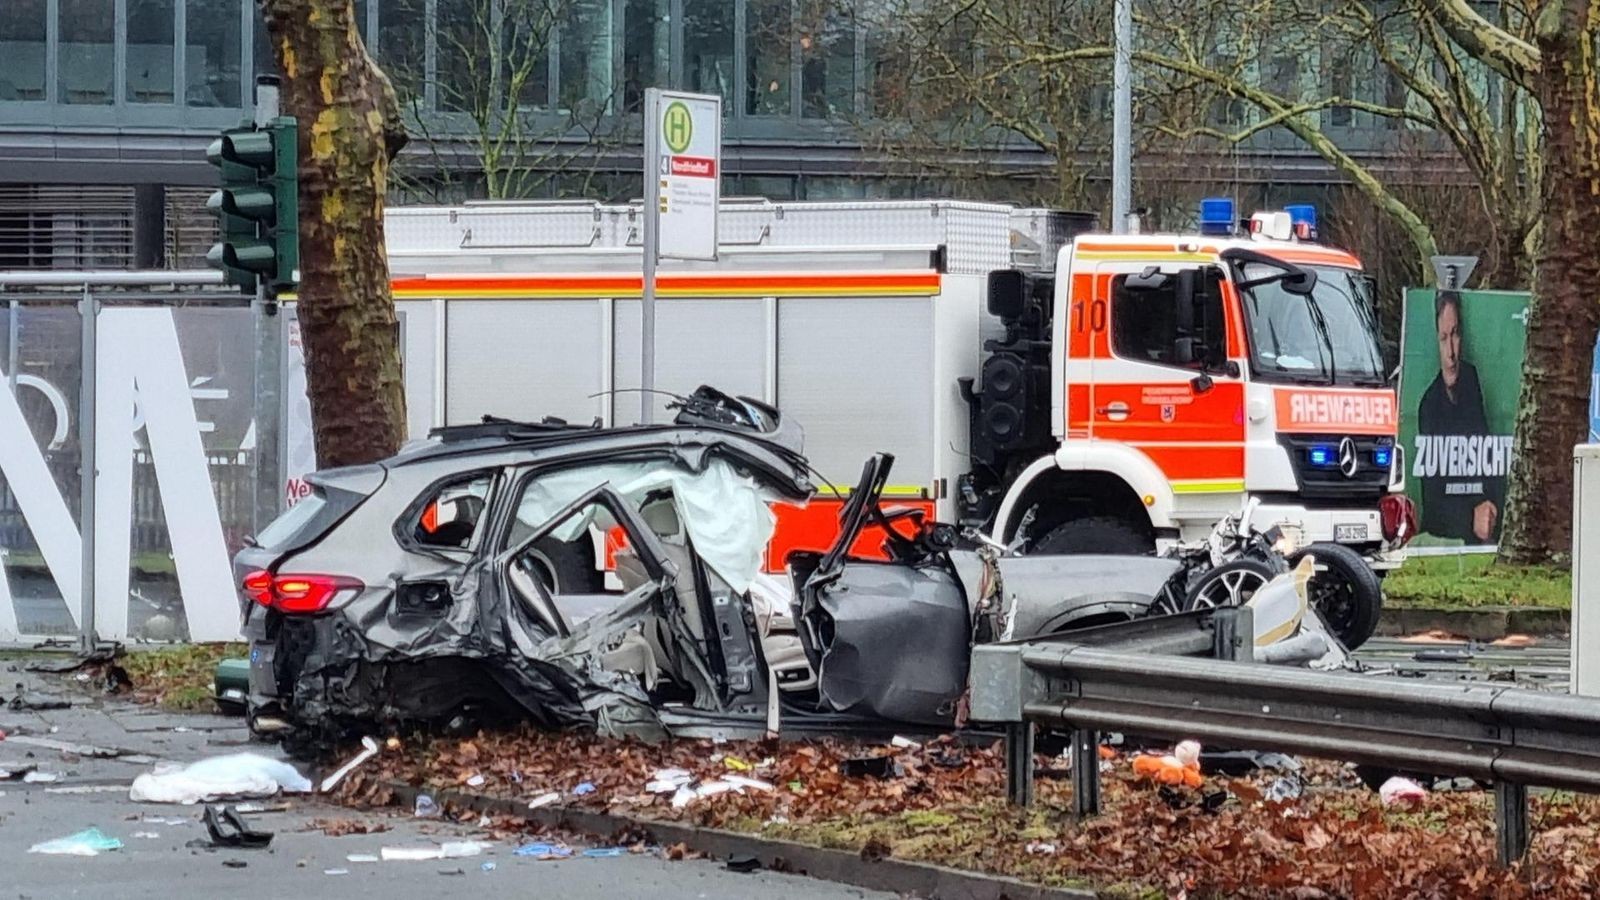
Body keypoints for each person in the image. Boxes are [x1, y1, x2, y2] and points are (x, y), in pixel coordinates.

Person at [1416, 291, 1504, 542]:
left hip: (1482, 526)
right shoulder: (1428, 405)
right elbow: (1432, 499)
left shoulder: (1470, 379)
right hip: (1443, 536)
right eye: (1444, 338)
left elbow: (1486, 454)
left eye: (1454, 334)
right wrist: (1470, 516)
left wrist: (1490, 505)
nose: (1451, 352)